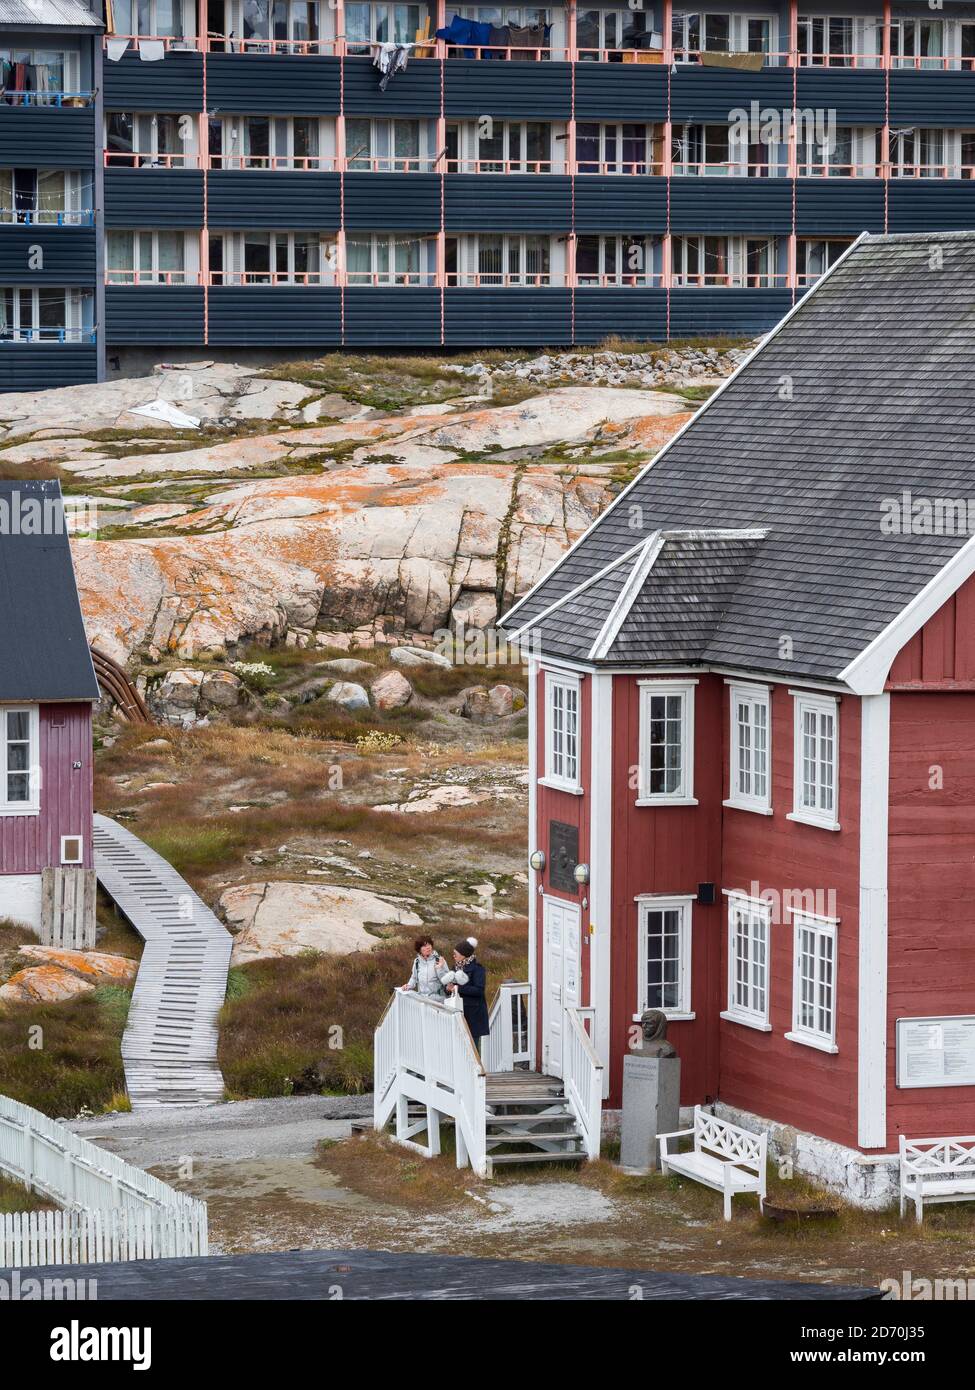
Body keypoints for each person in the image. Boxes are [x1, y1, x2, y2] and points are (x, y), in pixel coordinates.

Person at [441, 937, 489, 1047]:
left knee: (473, 1048)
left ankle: (477, 1065)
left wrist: (457, 988)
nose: (453, 956)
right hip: (458, 1011)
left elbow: (479, 990)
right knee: (459, 1047)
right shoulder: (456, 967)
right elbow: (448, 986)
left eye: (455, 954)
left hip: (474, 1015)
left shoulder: (478, 969)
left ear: (464, 954)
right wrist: (448, 989)